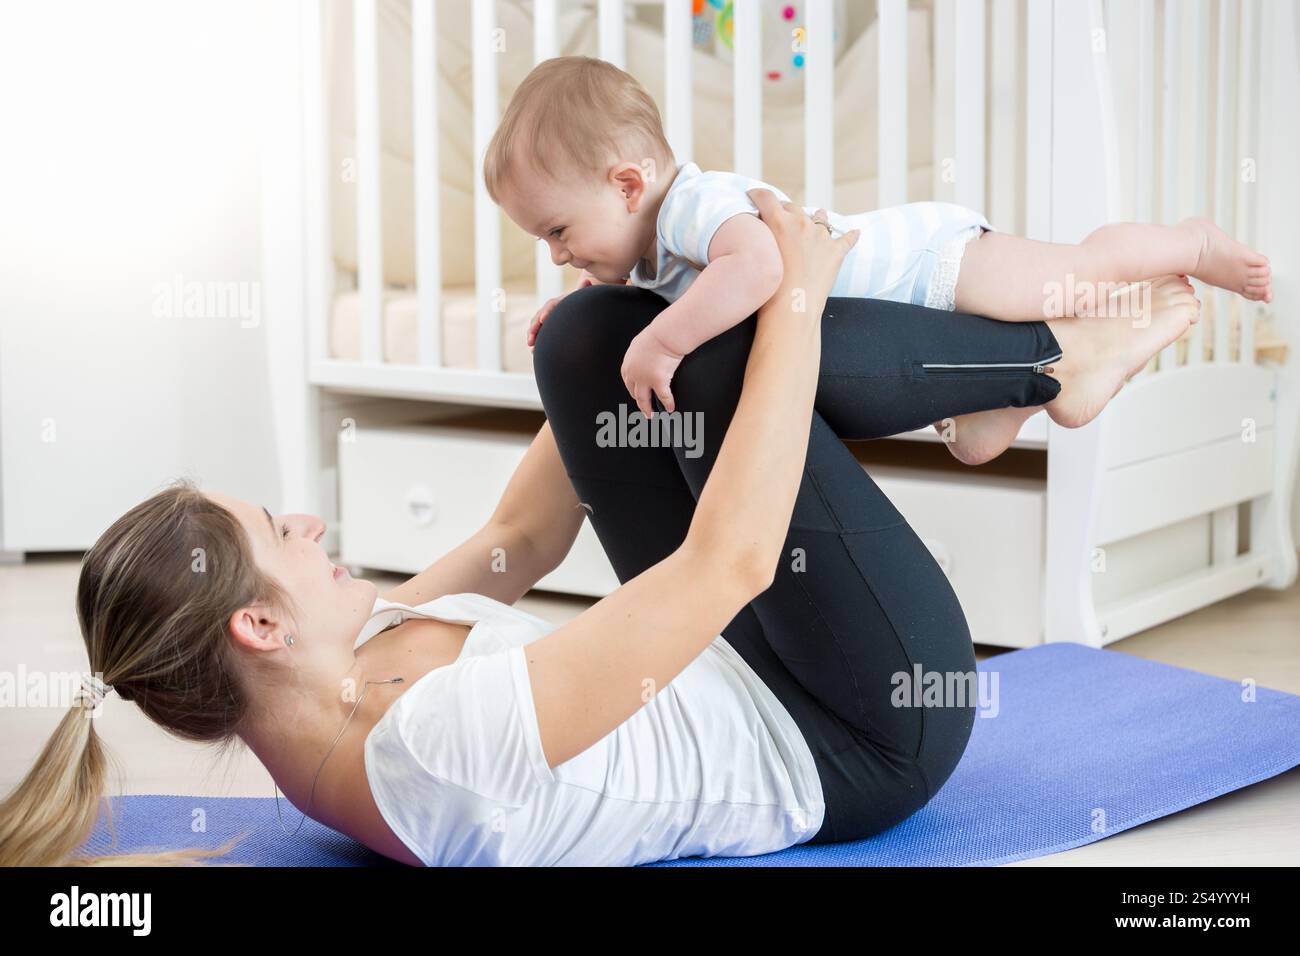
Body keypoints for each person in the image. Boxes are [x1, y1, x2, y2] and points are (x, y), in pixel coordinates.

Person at [0, 190, 1199, 866]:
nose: (310, 519)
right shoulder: (435, 747)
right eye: (279, 526)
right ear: (258, 620)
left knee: (597, 340)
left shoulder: (353, 666)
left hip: (753, 667)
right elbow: (728, 562)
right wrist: (795, 287)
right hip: (860, 732)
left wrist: (619, 326)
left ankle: (1021, 375)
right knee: (741, 352)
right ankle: (1052, 357)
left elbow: (526, 530)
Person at [488, 54, 1256, 464]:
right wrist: (584, 304)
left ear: (629, 185)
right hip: (904, 314)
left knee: (1080, 274)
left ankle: (1188, 241)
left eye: (558, 233)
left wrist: (660, 339)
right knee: (976, 444)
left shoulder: (695, 204)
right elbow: (683, 294)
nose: (558, 256)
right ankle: (1027, 389)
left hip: (929, 263)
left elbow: (755, 270)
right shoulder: (651, 249)